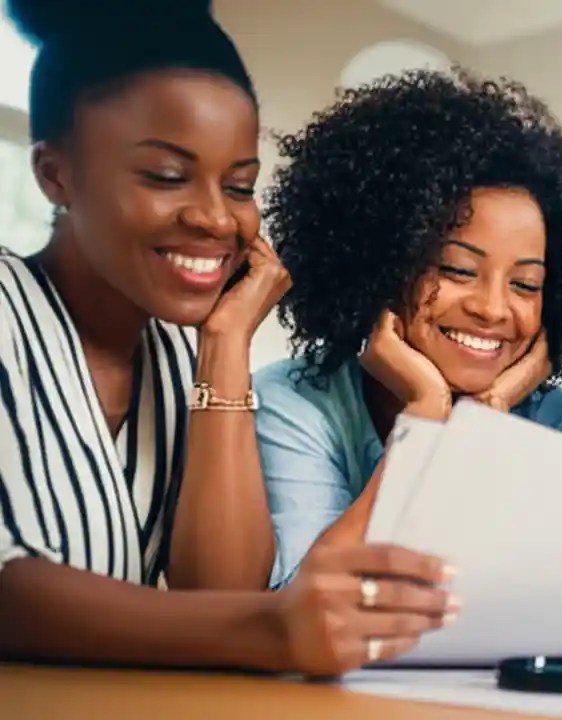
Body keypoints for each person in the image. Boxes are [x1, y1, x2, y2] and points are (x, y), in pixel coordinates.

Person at [0, 0, 452, 675]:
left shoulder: (186, 351)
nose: (217, 218)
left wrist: (227, 341)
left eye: (240, 185)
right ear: (54, 173)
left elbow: (221, 595)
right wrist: (268, 627)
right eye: (166, 176)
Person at [255, 68, 562, 589]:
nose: (493, 309)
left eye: (526, 285)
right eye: (458, 271)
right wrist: (426, 415)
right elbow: (307, 599)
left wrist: (487, 419)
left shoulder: (555, 420)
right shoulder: (294, 402)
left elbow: (545, 600)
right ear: (383, 267)